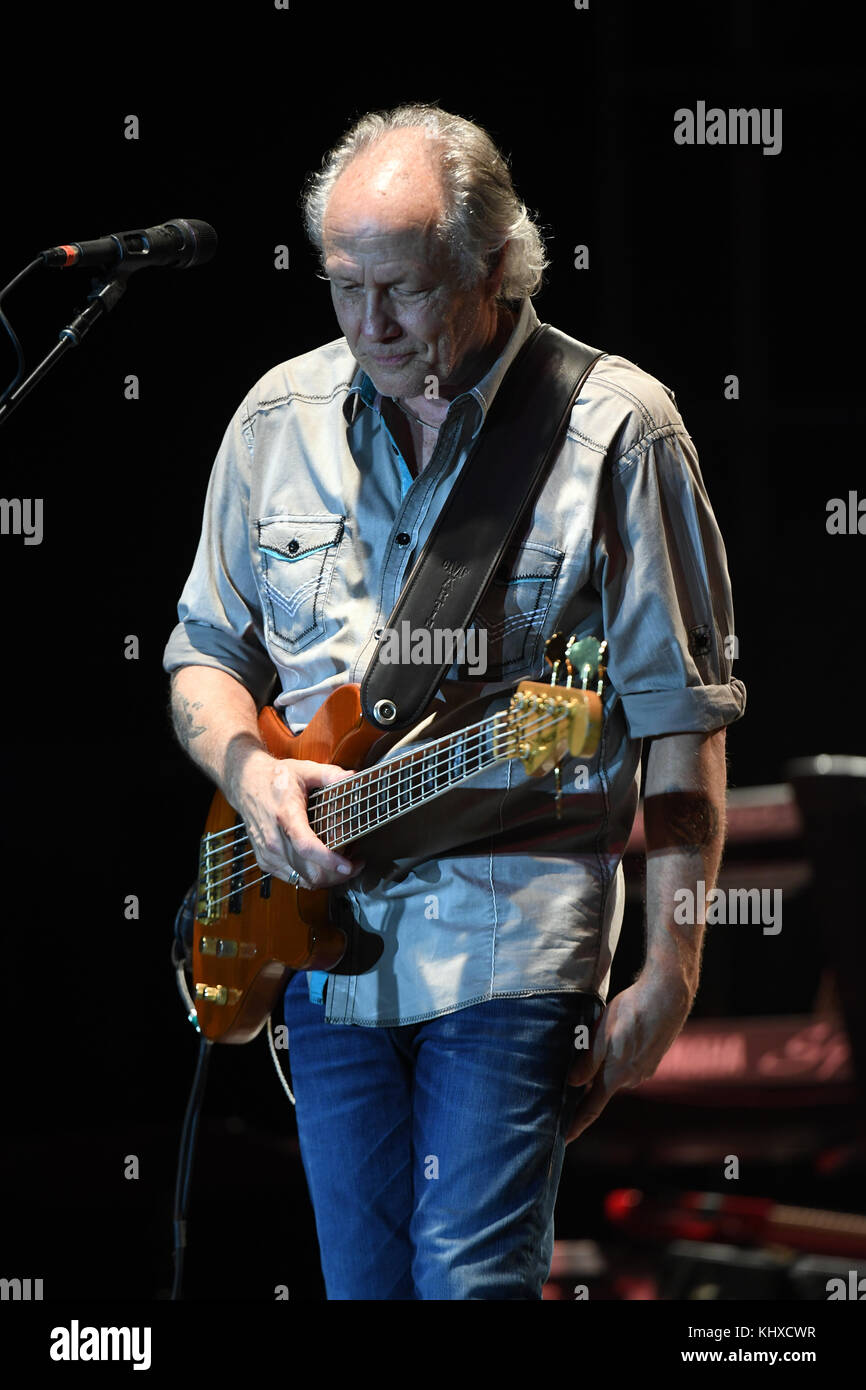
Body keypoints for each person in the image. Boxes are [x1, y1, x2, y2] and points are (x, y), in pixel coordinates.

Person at [164, 103, 746, 1300]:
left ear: (493, 267)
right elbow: (199, 652)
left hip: (513, 935)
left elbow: (679, 720)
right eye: (342, 287)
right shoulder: (276, 421)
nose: (369, 325)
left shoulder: (615, 432)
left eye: (407, 290)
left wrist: (669, 972)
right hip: (323, 953)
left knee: (470, 1284)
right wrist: (251, 774)